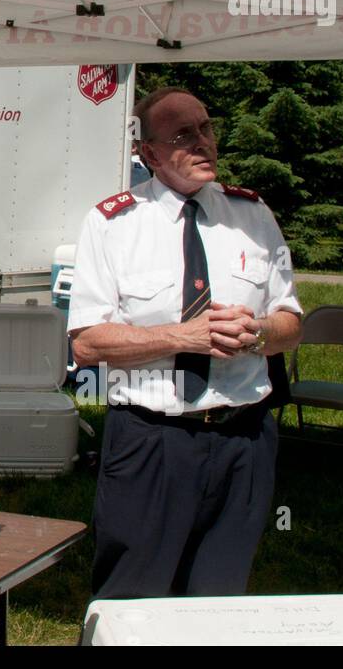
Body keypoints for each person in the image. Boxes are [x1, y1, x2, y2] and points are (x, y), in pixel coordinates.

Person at [68, 85, 303, 599]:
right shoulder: (113, 224)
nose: (203, 143)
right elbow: (87, 343)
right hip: (153, 440)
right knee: (133, 597)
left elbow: (290, 320)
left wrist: (259, 333)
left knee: (219, 599)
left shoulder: (253, 215)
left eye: (206, 128)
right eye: (183, 135)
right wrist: (185, 336)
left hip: (244, 438)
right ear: (148, 153)